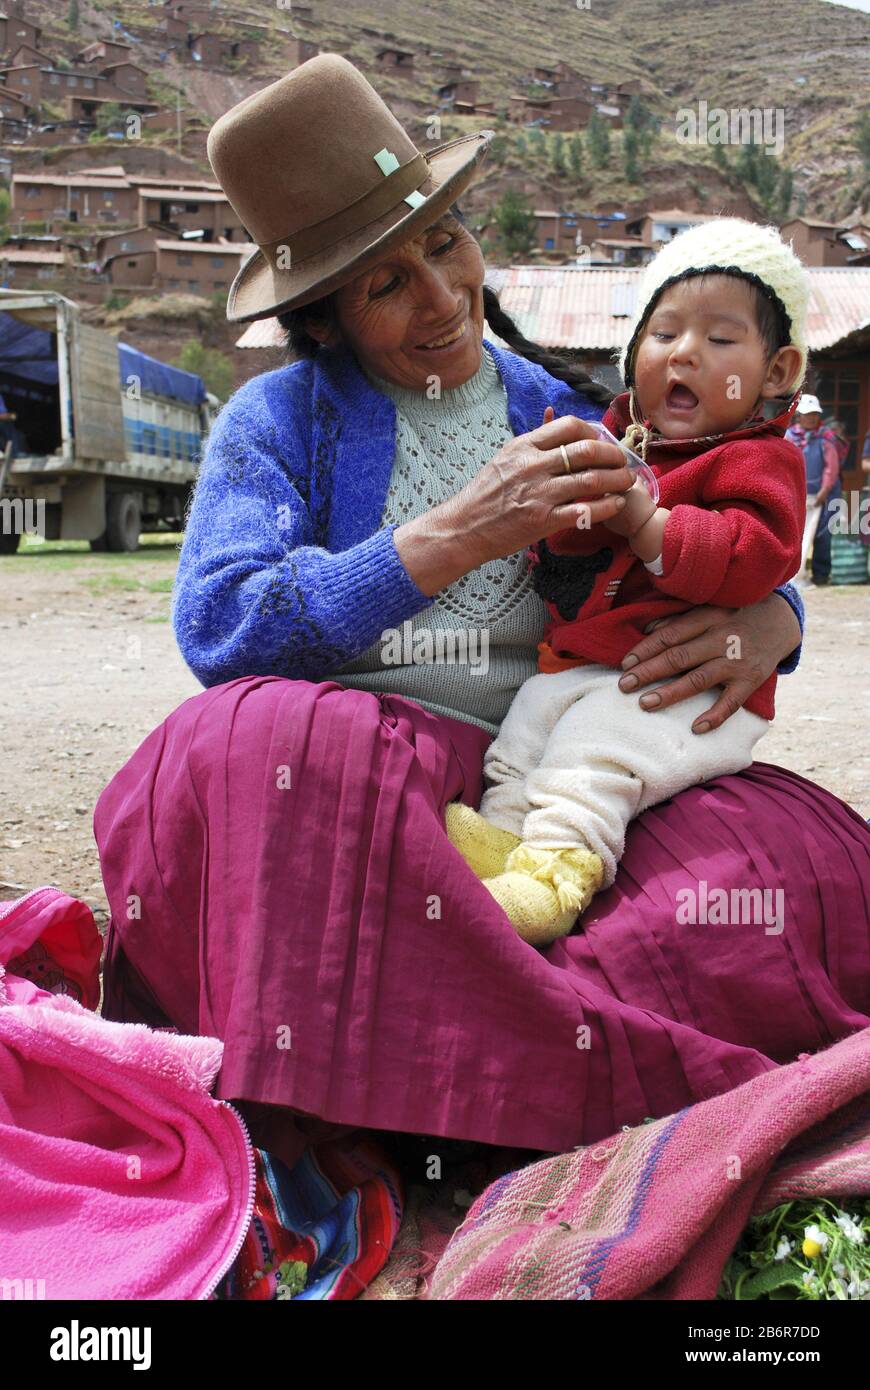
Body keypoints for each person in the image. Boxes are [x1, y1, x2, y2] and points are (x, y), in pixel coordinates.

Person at [94, 56, 870, 1167]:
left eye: (446, 243)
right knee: (248, 742)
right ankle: (511, 1067)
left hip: (554, 776)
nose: (443, 295)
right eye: (385, 284)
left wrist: (775, 624)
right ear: (323, 319)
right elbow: (223, 625)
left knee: (783, 859)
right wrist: (449, 535)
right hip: (362, 792)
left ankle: (434, 1062)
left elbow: (719, 525)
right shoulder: (278, 421)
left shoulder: (571, 409)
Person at [447, 220, 807, 942]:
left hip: (687, 691)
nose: (685, 353)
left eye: (722, 340)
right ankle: (503, 837)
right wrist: (572, 505)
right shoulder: (618, 436)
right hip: (587, 666)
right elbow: (566, 562)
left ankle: (556, 874)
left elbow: (752, 558)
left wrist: (646, 518)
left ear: (776, 372)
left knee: (592, 756)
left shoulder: (758, 462)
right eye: (664, 333)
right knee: (525, 734)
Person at [786, 393, 842, 584]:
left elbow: (831, 467)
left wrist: (824, 491)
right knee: (795, 534)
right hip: (796, 493)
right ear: (798, 415)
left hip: (824, 494)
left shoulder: (826, 438)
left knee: (823, 534)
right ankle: (792, 574)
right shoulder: (789, 437)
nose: (812, 418)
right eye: (808, 414)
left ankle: (821, 574)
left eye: (815, 414)